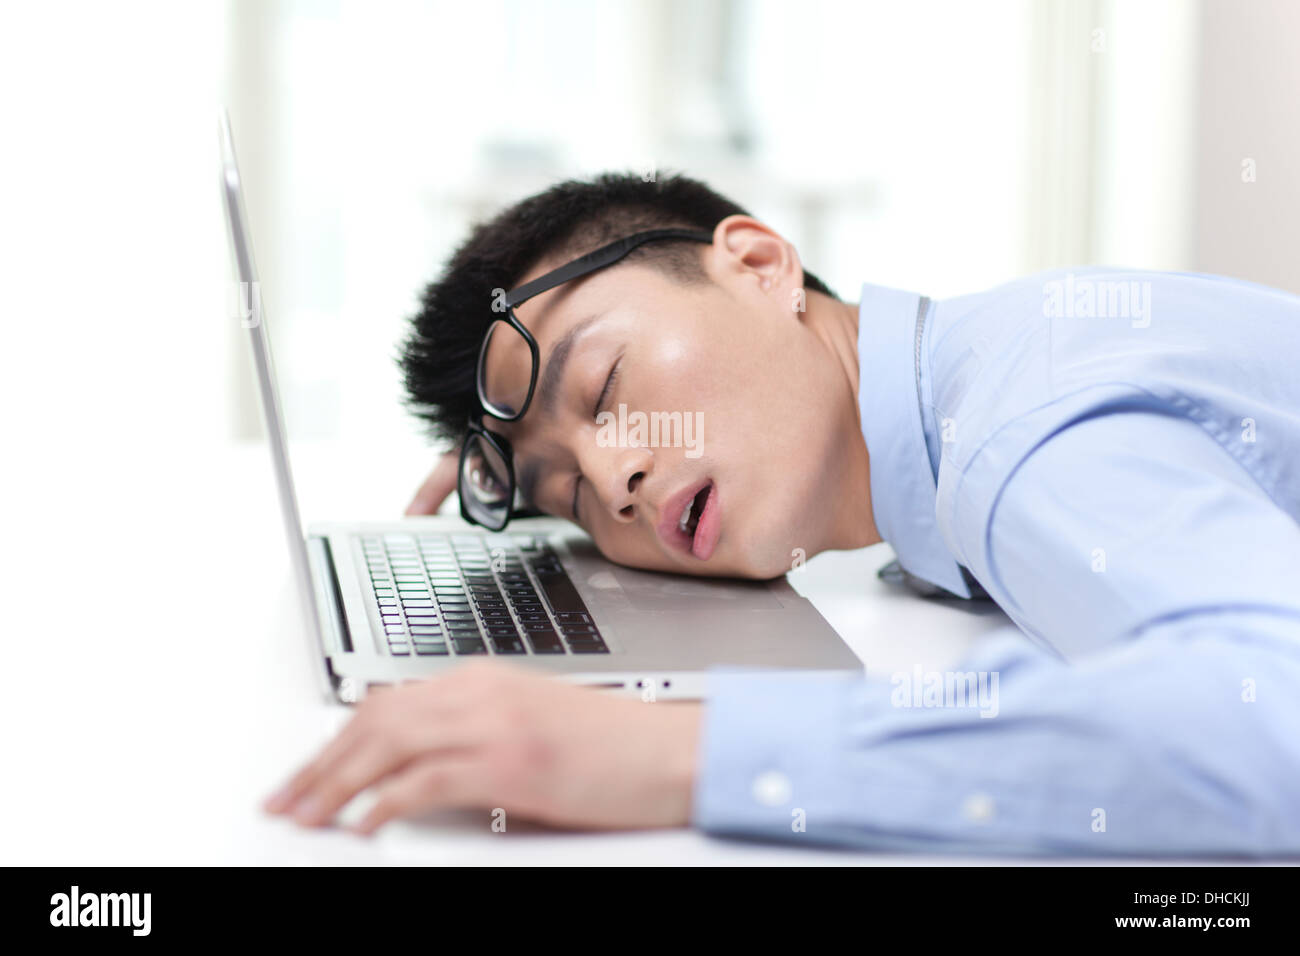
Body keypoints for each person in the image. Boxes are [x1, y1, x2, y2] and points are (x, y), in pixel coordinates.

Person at [265, 173, 1300, 854]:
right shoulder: (993, 367)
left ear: (759, 265)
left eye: (605, 383)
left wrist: (669, 751)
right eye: (568, 493)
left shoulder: (1018, 432)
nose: (615, 476)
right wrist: (526, 464)